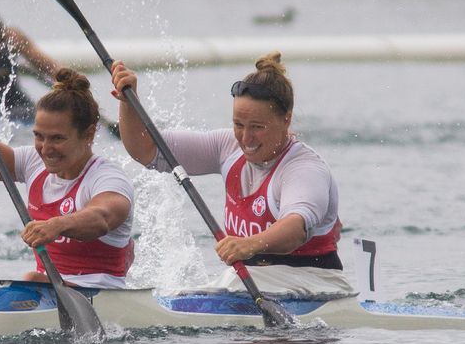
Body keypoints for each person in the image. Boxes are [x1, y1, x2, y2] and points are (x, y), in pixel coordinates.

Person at [111, 51, 352, 293]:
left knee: (218, 287)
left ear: (286, 120)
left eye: (257, 127)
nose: (246, 138)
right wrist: (128, 102)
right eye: (238, 125)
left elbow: (296, 229)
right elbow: (146, 150)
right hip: (255, 285)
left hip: (315, 285)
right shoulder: (227, 147)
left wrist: (249, 245)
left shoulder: (304, 169)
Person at [0, 58, 134, 288]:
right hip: (50, 291)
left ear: (88, 135)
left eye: (57, 138)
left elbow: (102, 218)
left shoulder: (107, 178)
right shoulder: (33, 162)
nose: (45, 149)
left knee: (32, 279)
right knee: (31, 280)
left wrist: (58, 225)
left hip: (101, 295)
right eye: (39, 136)